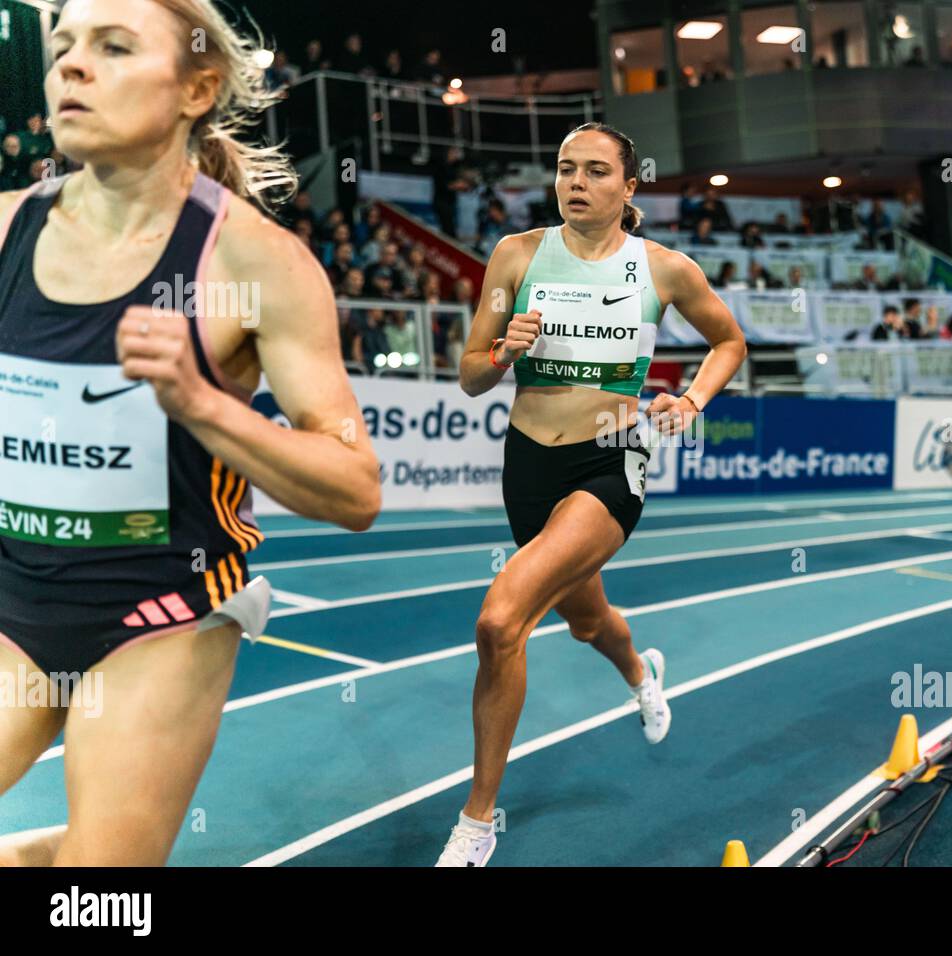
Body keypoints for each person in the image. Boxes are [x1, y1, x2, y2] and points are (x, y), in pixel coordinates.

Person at [0, 0, 381, 866]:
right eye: (62, 49)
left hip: (162, 615)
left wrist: (202, 401)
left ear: (196, 87)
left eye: (113, 47)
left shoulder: (253, 262)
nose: (72, 67)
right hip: (14, 603)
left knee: (101, 897)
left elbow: (356, 492)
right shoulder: (5, 227)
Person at [443, 121, 746, 866]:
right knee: (587, 619)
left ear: (629, 186)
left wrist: (694, 402)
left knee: (500, 620)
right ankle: (642, 671)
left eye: (596, 172)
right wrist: (502, 350)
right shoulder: (516, 255)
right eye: (565, 169)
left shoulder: (665, 269)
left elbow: (729, 341)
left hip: (614, 456)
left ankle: (477, 822)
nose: (576, 183)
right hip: (528, 464)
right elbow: (472, 374)